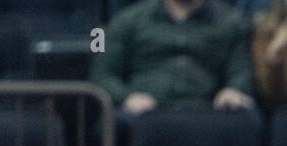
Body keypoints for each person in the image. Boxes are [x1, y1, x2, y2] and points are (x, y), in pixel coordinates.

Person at [90, 0, 256, 116]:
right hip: (143, 113)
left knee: (243, 119)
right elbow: (103, 75)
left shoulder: (232, 22)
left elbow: (241, 71)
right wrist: (127, 97)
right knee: (117, 122)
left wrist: (234, 90)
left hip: (207, 111)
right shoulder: (128, 20)